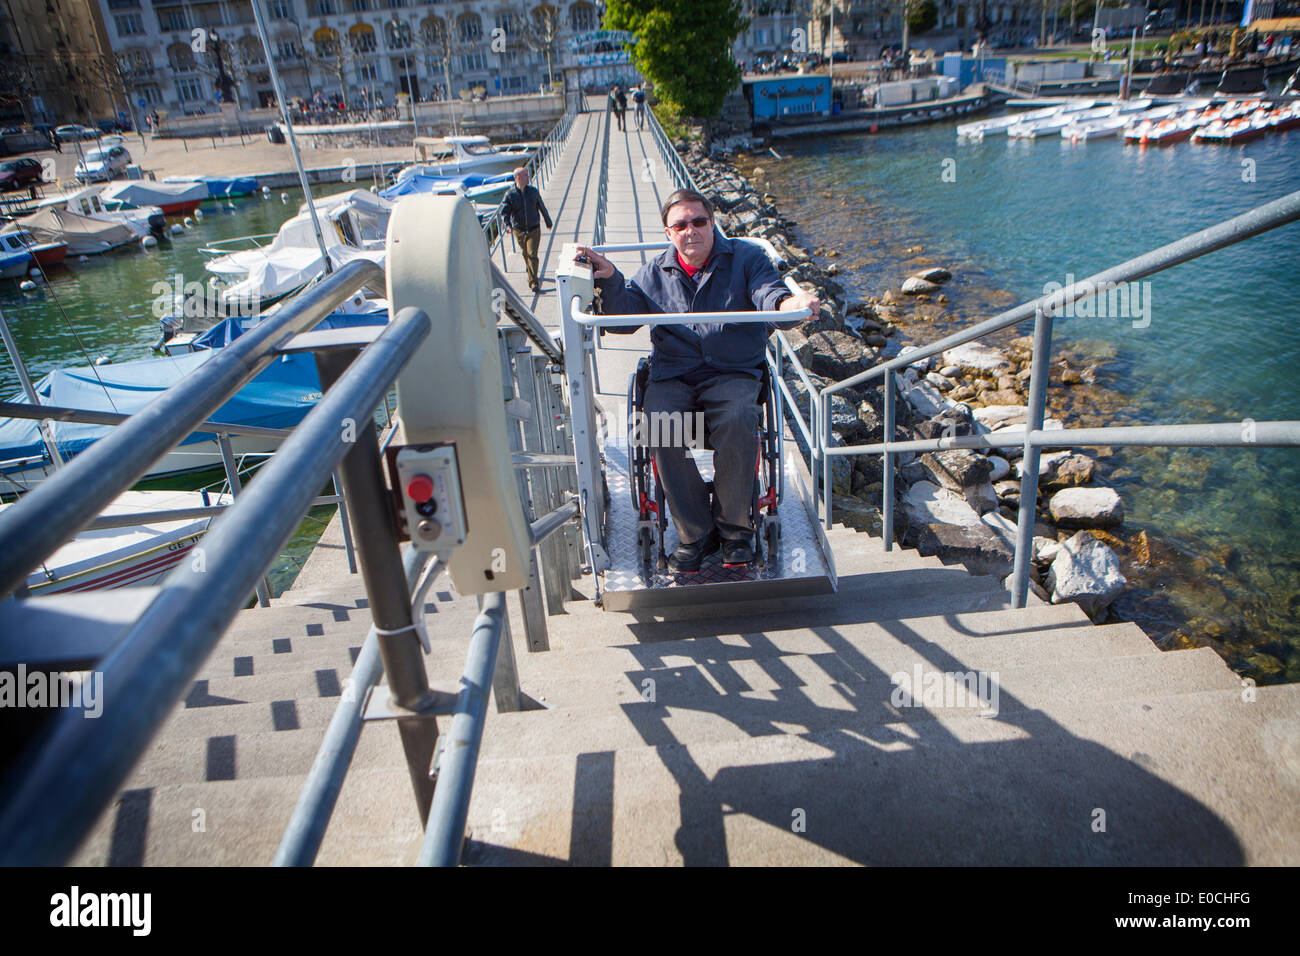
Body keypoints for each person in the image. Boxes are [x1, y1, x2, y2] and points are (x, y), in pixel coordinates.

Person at [574, 189, 820, 572]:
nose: (691, 231)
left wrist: (792, 305)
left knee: (738, 419)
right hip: (676, 373)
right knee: (656, 427)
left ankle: (735, 530)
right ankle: (695, 533)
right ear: (669, 233)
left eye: (699, 221)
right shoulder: (656, 272)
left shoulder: (746, 258)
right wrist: (610, 281)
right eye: (680, 225)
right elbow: (625, 319)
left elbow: (770, 297)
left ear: (712, 223)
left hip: (733, 371)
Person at [501, 166, 553, 293]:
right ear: (517, 178)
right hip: (519, 230)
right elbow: (505, 213)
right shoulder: (510, 194)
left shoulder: (533, 192)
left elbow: (541, 206)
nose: (528, 177)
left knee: (532, 254)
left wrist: (548, 221)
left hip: (534, 228)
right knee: (526, 254)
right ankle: (531, 272)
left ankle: (533, 282)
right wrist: (507, 226)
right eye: (525, 175)